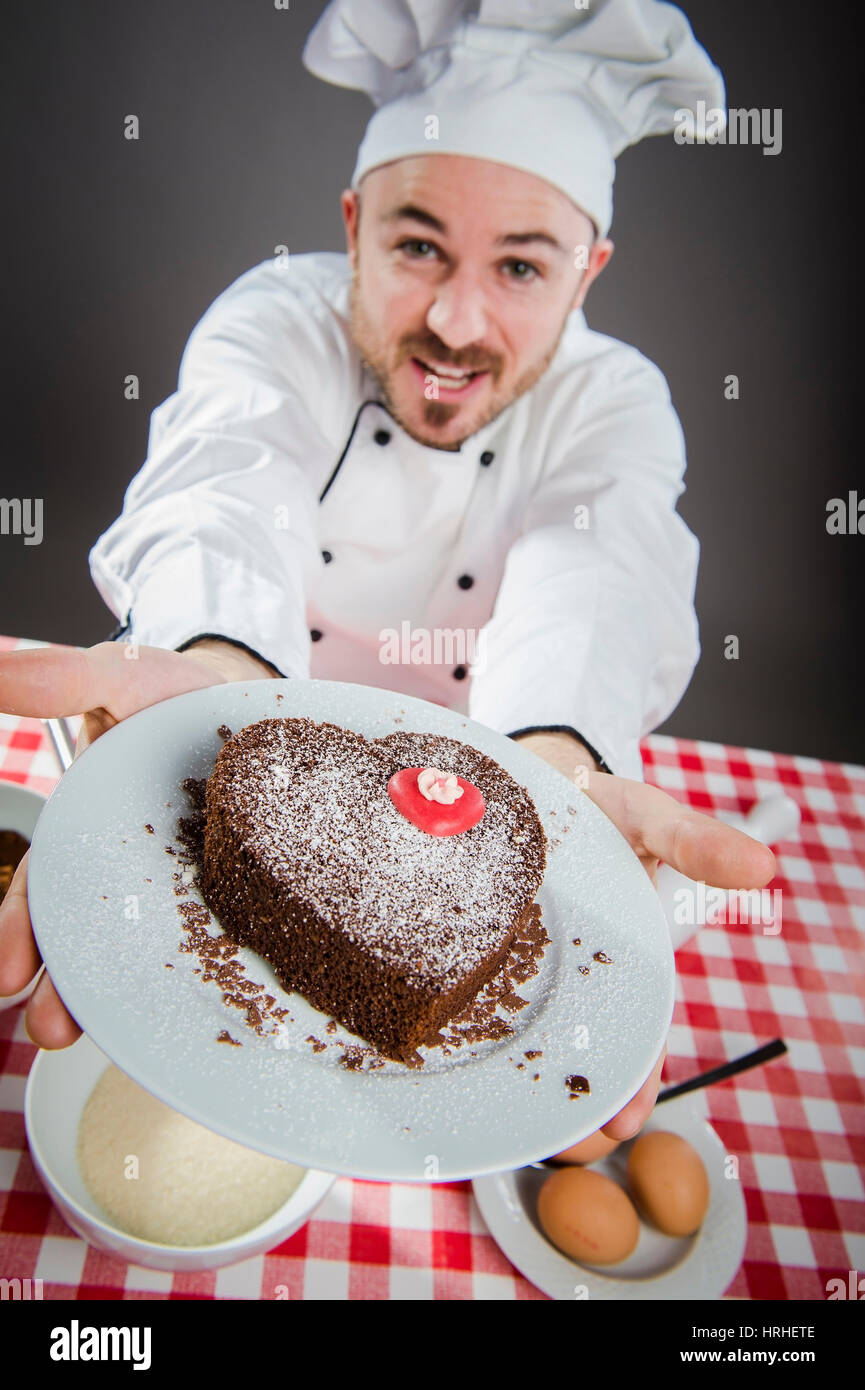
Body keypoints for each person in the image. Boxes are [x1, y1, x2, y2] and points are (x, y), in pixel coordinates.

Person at [0, 0, 776, 1144]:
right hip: (236, 748)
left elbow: (597, 572)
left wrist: (549, 771)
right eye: (418, 247)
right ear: (354, 223)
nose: (457, 322)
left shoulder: (615, 405)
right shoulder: (275, 320)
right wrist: (219, 680)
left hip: (469, 811)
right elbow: (226, 478)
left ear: (587, 272)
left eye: (520, 266)